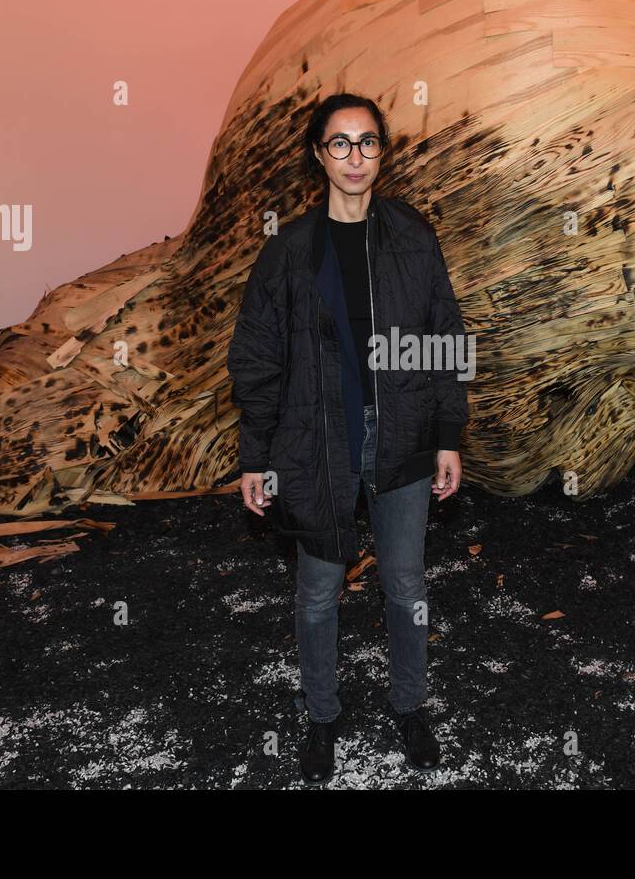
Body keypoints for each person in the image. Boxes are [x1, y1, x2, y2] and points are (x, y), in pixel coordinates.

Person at [227, 93, 470, 784]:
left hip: (402, 436)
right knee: (316, 590)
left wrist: (448, 433)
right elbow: (257, 358)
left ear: (381, 154)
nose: (355, 157)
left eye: (367, 143)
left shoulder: (412, 237)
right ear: (318, 155)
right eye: (340, 143)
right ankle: (323, 718)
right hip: (315, 443)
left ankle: (410, 706)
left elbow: (444, 337)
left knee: (404, 581)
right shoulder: (289, 251)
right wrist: (256, 455)